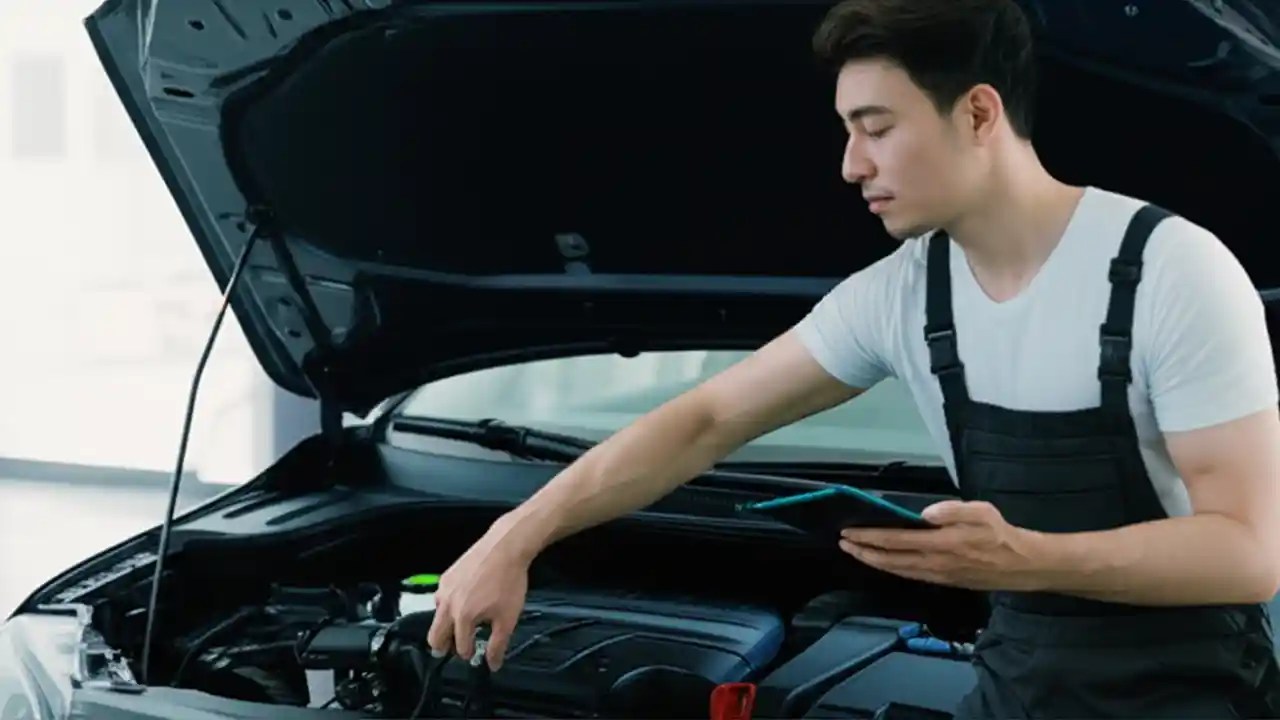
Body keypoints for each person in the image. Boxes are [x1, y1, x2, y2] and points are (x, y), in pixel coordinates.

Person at [425, 0, 1280, 715]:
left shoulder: (1173, 272)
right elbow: (707, 417)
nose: (849, 165)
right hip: (1018, 688)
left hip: (1194, 696)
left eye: (875, 128)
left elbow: (1248, 553)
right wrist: (515, 536)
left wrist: (1029, 559)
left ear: (979, 113)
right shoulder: (905, 292)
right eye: (846, 131)